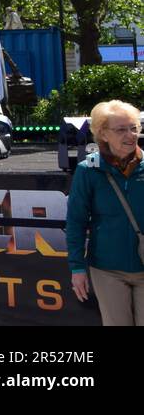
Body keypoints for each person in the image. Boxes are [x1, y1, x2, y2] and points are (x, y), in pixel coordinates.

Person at [67, 99, 144, 325]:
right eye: (121, 129)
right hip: (107, 269)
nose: (130, 135)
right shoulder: (88, 169)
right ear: (103, 134)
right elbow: (76, 222)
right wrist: (77, 267)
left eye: (134, 128)